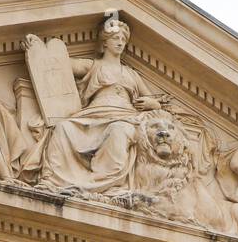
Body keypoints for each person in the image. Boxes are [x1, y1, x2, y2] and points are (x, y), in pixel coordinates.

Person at [25, 19, 165, 193]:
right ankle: (53, 179)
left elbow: (153, 99)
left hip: (124, 116)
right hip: (93, 115)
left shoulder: (131, 74)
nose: (120, 42)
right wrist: (37, 48)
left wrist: (153, 103)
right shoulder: (94, 66)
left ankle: (101, 183)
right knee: (63, 128)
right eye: (115, 38)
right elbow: (59, 62)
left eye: (123, 38)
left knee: (119, 131)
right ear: (105, 42)